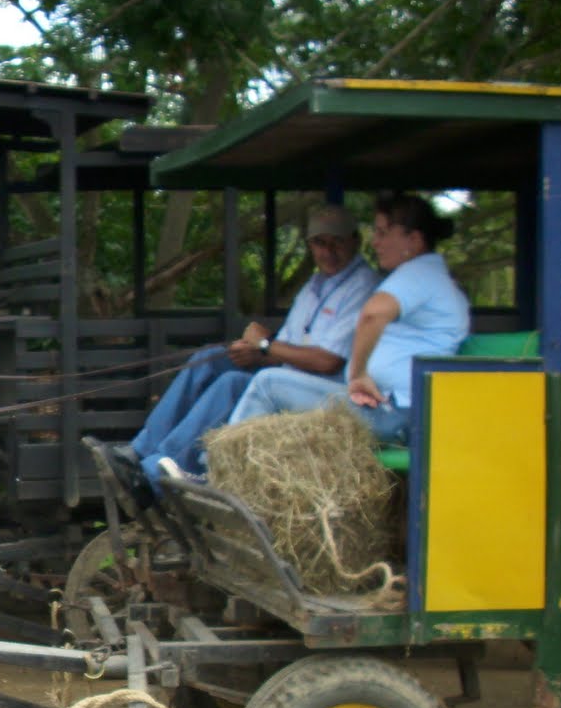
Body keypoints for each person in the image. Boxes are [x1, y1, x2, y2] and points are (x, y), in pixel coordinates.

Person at [114, 204, 380, 493]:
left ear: (356, 240)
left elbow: (328, 361)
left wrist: (265, 345)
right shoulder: (316, 284)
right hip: (288, 375)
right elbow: (285, 346)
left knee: (232, 384)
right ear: (309, 245)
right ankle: (140, 450)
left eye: (336, 242)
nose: (327, 251)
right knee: (209, 359)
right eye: (319, 243)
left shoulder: (362, 285)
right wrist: (256, 352)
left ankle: (155, 473)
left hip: (322, 390)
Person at [224, 192, 470, 444]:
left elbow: (373, 313)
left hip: (394, 412)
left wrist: (358, 375)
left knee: (268, 384)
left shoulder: (421, 274)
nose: (375, 242)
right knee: (250, 380)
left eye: (383, 233)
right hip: (385, 405)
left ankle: (219, 475)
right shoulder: (427, 276)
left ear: (414, 240)